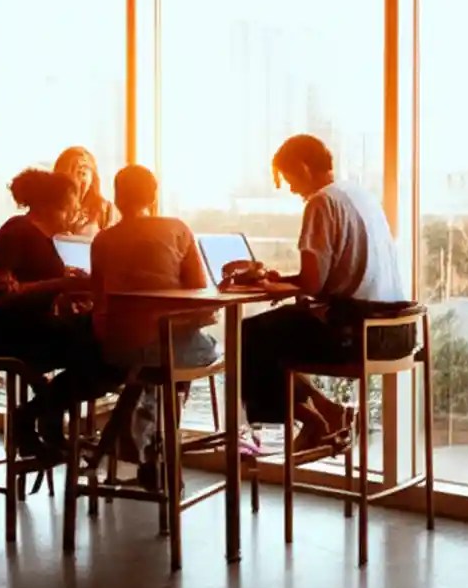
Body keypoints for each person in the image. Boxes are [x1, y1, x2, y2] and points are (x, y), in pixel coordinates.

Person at [242, 134, 408, 451]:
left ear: (303, 168)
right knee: (270, 338)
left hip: (357, 334)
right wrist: (288, 280)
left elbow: (312, 285)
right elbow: (332, 273)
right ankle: (329, 411)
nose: (291, 189)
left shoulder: (321, 201)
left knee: (250, 336)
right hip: (395, 330)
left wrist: (278, 285)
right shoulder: (360, 195)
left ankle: (313, 419)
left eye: (289, 179)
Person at [0, 168, 95, 457]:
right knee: (99, 351)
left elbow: (37, 282)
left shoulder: (46, 239)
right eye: (74, 203)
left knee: (97, 345)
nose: (77, 209)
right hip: (0, 330)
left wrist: (69, 283)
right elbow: (0, 294)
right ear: (58, 204)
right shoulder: (17, 232)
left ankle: (43, 411)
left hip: (28, 327)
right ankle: (40, 414)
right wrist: (62, 283)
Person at [90, 165, 218, 371]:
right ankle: (169, 399)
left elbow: (98, 299)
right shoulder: (177, 229)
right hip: (166, 346)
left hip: (117, 348)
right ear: (153, 198)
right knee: (210, 346)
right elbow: (198, 292)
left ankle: (150, 397)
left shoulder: (102, 239)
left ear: (117, 198)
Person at [54, 146, 118, 236]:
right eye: (72, 171)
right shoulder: (50, 211)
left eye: (83, 173)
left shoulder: (106, 210)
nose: (78, 179)